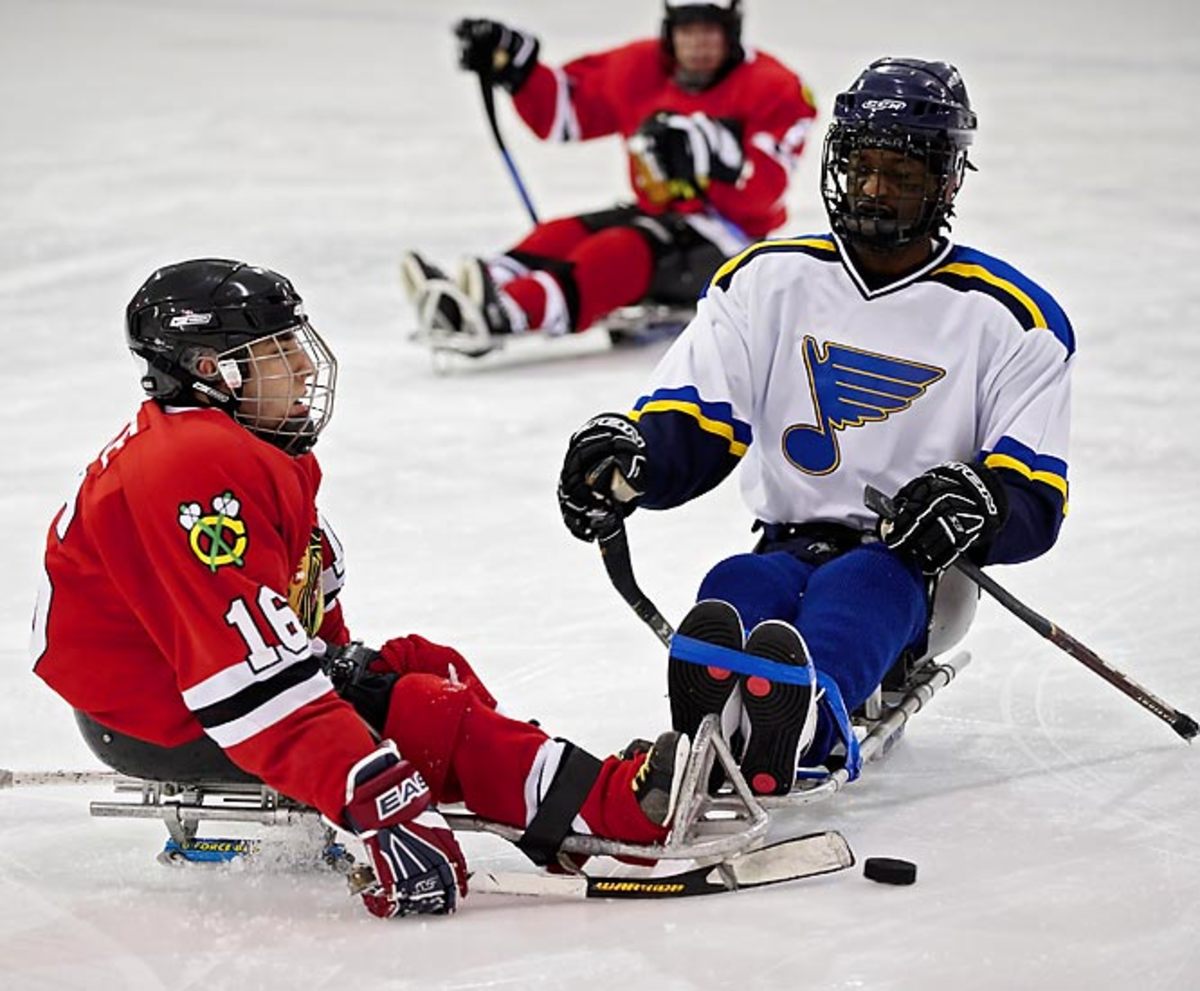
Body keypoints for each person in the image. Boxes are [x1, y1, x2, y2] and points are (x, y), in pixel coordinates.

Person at [30, 258, 688, 918]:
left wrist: (369, 715)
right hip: (162, 717)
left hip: (186, 687)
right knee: (428, 709)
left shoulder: (236, 444)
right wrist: (375, 797)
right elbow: (248, 681)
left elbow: (300, 614)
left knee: (423, 668)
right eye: (278, 350)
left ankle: (541, 794)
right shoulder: (190, 466)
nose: (308, 367)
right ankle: (606, 810)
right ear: (212, 370)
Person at [556, 58, 1074, 795]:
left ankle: (799, 723)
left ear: (948, 181)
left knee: (861, 588)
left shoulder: (1013, 319)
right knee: (737, 582)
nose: (873, 188)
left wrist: (982, 503)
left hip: (917, 572)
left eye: (901, 172)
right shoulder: (764, 279)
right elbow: (693, 417)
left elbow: (1036, 495)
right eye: (862, 165)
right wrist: (633, 459)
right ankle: (723, 726)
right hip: (785, 540)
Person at [404, 0, 817, 355]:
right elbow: (565, 111)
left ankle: (509, 309)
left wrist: (710, 151)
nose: (698, 44)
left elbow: (766, 191)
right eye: (687, 30)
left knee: (616, 251)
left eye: (710, 30)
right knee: (561, 233)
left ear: (733, 30)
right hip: (654, 213)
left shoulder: (775, 87)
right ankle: (479, 286)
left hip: (729, 243)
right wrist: (517, 66)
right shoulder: (642, 67)